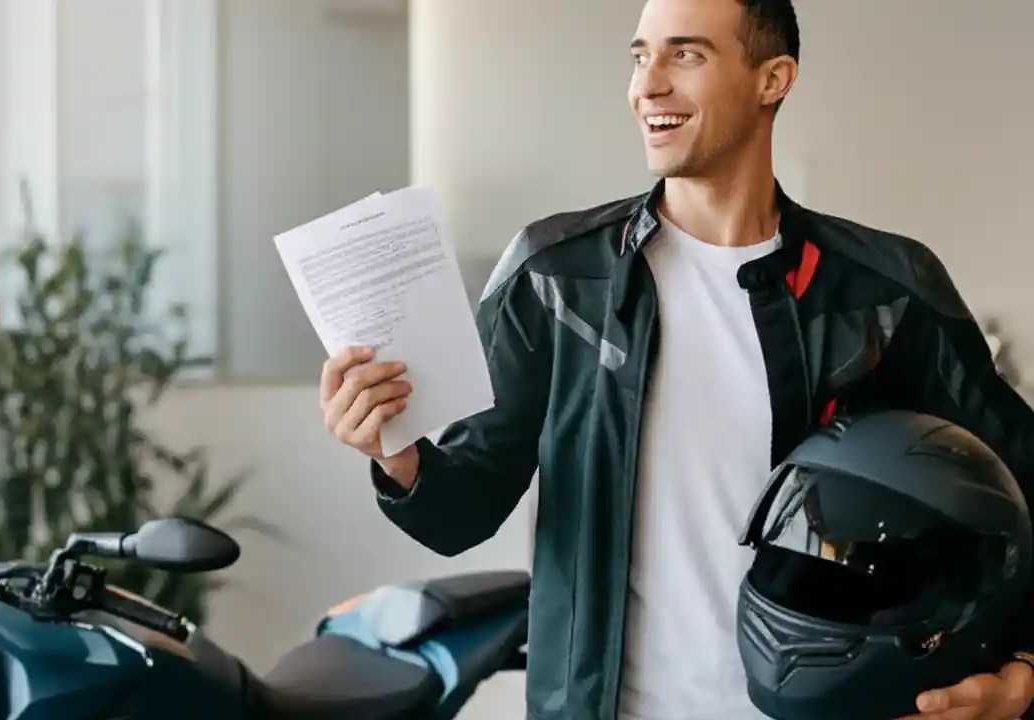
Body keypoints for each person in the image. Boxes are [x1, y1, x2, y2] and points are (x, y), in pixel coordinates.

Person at [317, 0, 1034, 718]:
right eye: (639, 56)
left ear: (772, 79)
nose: (647, 84)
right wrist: (397, 454)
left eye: (685, 55)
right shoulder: (558, 280)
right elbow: (459, 512)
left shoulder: (886, 290)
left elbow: (1020, 494)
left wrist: (1024, 674)